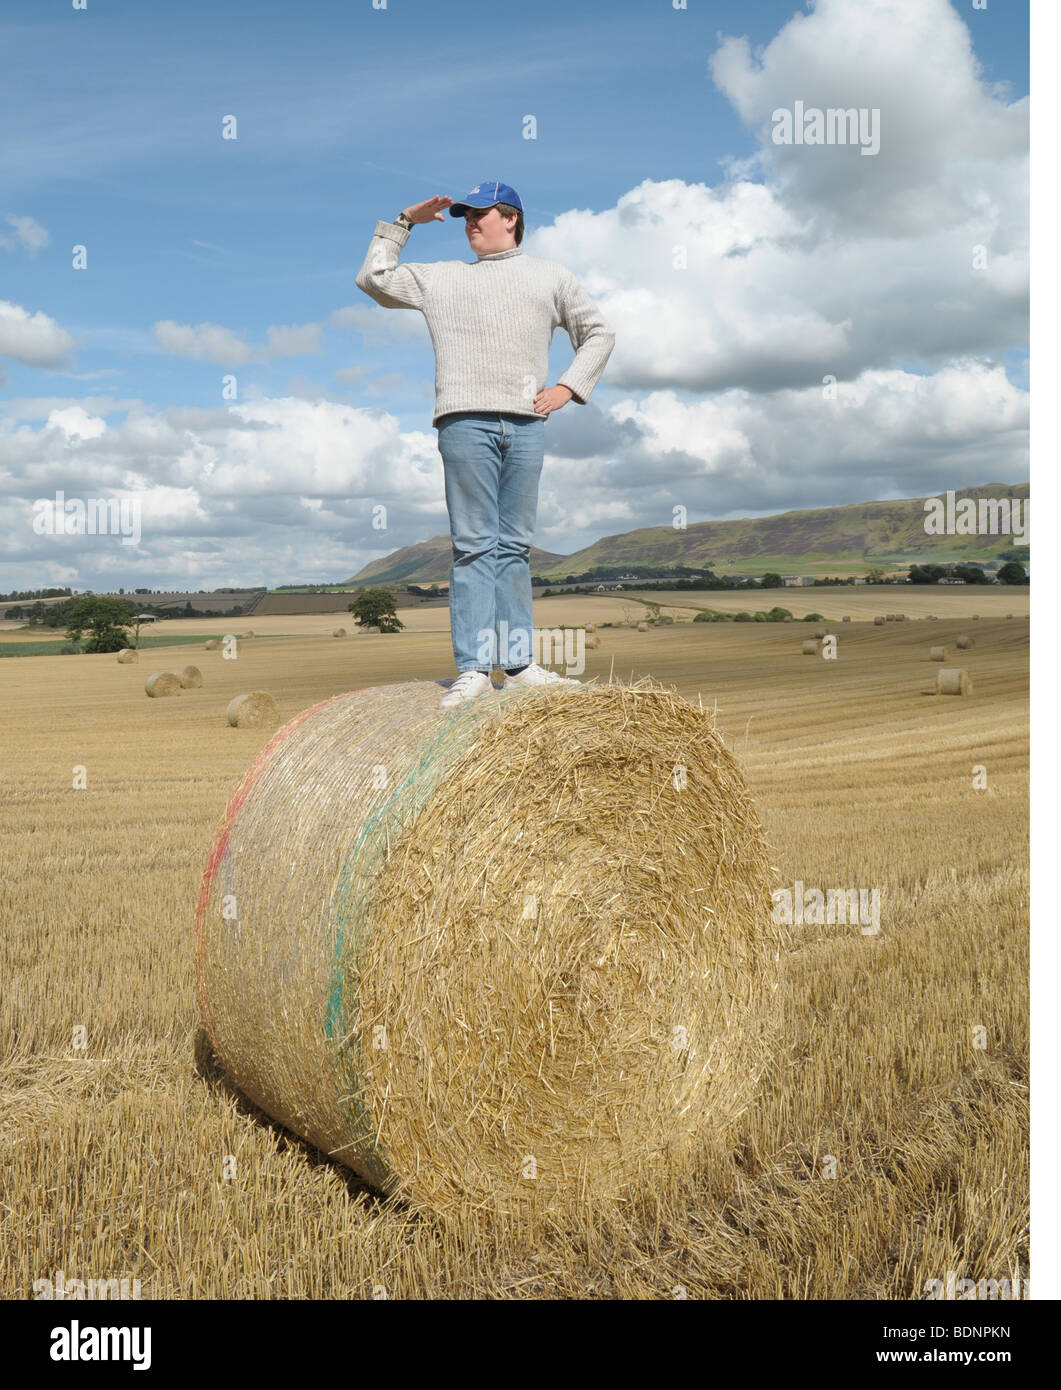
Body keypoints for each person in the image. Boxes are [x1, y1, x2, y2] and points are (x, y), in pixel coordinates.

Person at [355, 180, 615, 707]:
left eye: (481, 213)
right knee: (474, 547)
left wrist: (568, 387)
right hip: (463, 422)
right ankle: (473, 669)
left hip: (526, 424)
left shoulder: (551, 275)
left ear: (512, 218)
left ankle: (517, 666)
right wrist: (405, 220)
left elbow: (599, 333)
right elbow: (373, 279)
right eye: (466, 215)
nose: (471, 222)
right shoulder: (441, 278)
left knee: (515, 547)